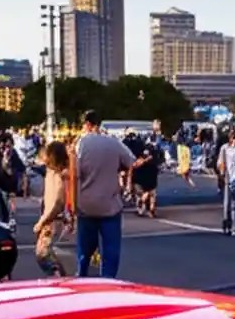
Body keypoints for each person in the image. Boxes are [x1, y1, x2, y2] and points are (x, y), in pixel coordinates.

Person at [70, 110, 135, 278]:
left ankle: (82, 276)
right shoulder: (113, 142)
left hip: (86, 205)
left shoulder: (80, 144)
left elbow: (74, 173)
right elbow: (130, 162)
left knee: (84, 250)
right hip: (110, 205)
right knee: (111, 250)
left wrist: (71, 205)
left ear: (87, 124)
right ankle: (108, 281)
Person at [33, 141, 70, 276]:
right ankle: (60, 277)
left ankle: (58, 278)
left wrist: (41, 222)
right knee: (51, 255)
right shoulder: (56, 173)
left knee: (43, 255)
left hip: (52, 221)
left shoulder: (56, 176)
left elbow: (56, 202)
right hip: (57, 220)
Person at [132, 137, 160, 218]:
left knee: (141, 193)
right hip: (151, 175)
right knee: (152, 193)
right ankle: (151, 210)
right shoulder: (155, 153)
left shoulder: (138, 152)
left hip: (140, 175)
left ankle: (142, 207)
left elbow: (135, 164)